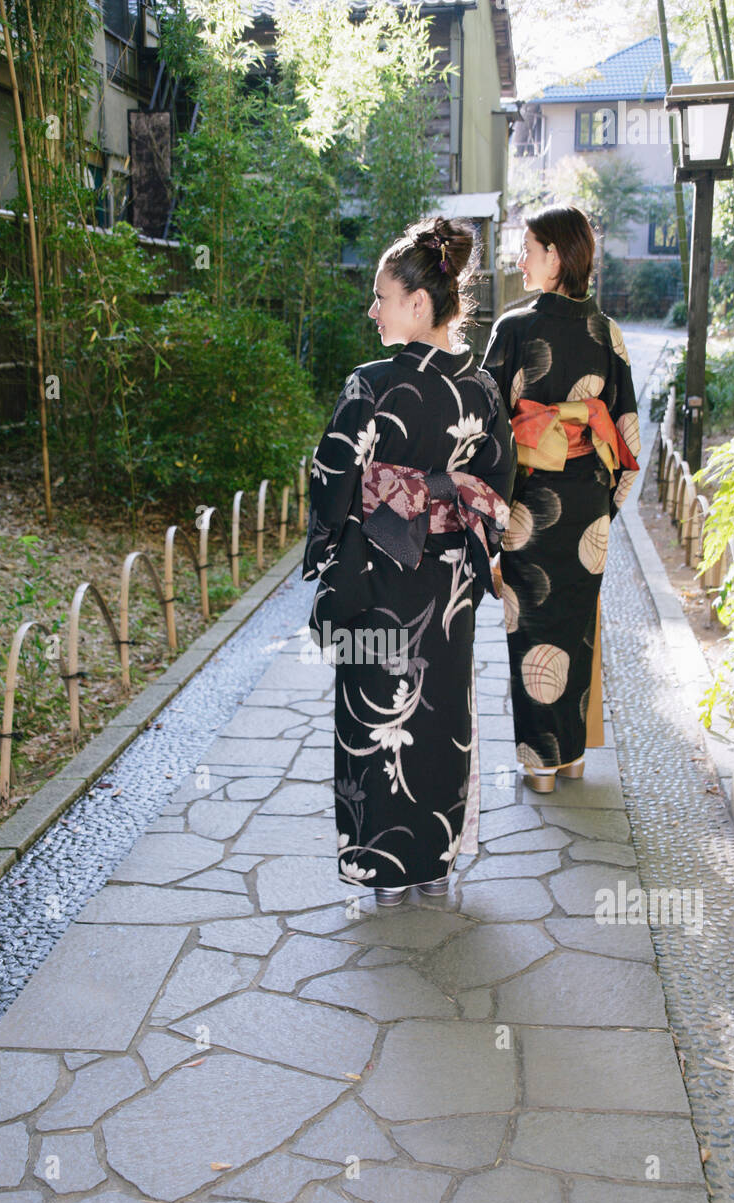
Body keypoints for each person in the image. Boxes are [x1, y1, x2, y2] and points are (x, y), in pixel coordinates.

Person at [302, 217, 516, 906]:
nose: (373, 310)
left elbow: (332, 480)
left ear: (418, 305)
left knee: (375, 713)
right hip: (449, 581)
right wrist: (457, 527)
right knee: (440, 712)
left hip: (376, 581)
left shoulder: (371, 385)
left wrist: (332, 545)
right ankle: (434, 853)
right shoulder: (480, 390)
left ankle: (377, 861)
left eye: (382, 296)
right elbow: (499, 489)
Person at [481, 204, 640, 793]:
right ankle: (570, 757)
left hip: (529, 507)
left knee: (532, 631)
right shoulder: (608, 332)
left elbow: (487, 427)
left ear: (556, 255)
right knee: (574, 628)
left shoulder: (515, 329)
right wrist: (605, 506)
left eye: (527, 247)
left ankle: (540, 765)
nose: (519, 258)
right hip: (587, 509)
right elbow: (625, 434)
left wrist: (494, 516)